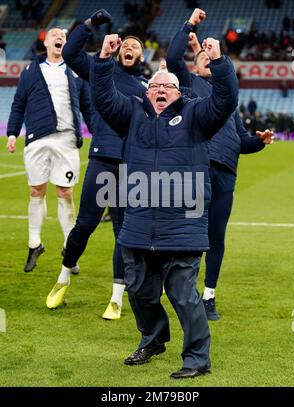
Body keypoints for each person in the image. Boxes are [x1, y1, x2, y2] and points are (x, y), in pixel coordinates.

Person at [91, 31, 238, 378]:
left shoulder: (197, 116)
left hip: (182, 226)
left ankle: (197, 359)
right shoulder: (131, 114)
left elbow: (226, 99)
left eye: (167, 87)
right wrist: (102, 61)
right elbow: (102, 96)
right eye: (154, 86)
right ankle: (153, 338)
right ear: (146, 92)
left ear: (179, 93)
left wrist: (218, 63)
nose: (159, 90)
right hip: (139, 224)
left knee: (184, 295)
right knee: (140, 291)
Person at [166, 8, 274, 320]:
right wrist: (189, 24)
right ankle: (183, 291)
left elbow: (240, 140)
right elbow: (174, 57)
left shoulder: (230, 103)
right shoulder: (186, 85)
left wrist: (260, 141)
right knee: (189, 233)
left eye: (212, 58)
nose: (208, 60)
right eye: (203, 58)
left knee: (216, 235)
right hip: (196, 167)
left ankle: (209, 295)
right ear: (195, 68)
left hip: (226, 171)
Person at [46, 10, 148, 320]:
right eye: (126, 45)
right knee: (85, 225)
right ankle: (63, 277)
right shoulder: (101, 70)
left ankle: (116, 297)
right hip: (103, 158)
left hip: (130, 166)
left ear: (143, 56)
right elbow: (72, 51)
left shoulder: (147, 88)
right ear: (118, 50)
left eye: (136, 46)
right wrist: (89, 24)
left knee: (124, 233)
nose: (130, 48)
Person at [6, 27, 92, 274]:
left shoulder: (76, 70)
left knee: (65, 192)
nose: (60, 38)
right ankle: (35, 243)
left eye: (63, 37)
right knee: (36, 190)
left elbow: (87, 105)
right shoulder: (31, 70)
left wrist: (99, 133)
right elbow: (19, 103)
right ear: (46, 42)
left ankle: (69, 248)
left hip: (66, 140)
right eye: (55, 35)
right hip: (37, 138)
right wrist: (12, 133)